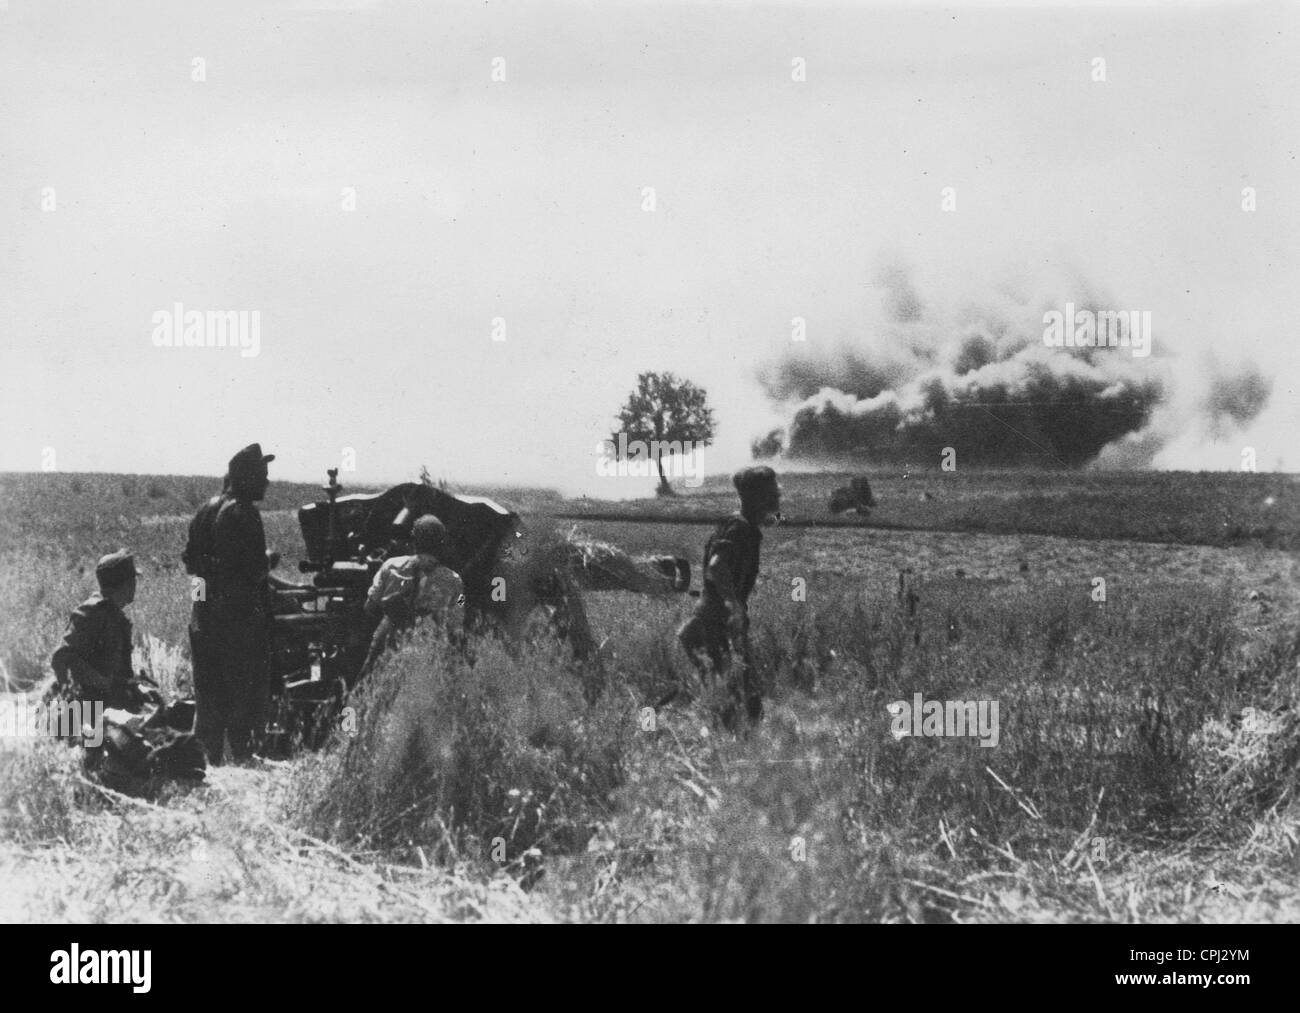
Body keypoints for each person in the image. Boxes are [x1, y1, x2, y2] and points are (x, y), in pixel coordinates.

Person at [184, 443, 275, 764]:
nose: (266, 482)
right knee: (245, 709)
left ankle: (203, 772)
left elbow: (193, 569)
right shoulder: (244, 513)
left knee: (209, 709)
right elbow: (254, 572)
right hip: (238, 629)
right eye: (262, 475)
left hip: (204, 625)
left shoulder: (204, 511)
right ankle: (244, 776)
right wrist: (267, 561)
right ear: (245, 478)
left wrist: (202, 612)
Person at [675, 466, 782, 726]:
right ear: (758, 498)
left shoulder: (738, 524)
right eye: (772, 492)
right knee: (742, 702)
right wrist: (733, 605)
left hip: (708, 623)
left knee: (733, 697)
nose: (778, 495)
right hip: (716, 625)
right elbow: (716, 566)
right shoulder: (741, 530)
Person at [49, 550, 156, 712]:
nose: (135, 585)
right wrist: (104, 684)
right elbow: (61, 657)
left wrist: (134, 687)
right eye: (133, 580)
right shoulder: (93, 612)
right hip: (86, 706)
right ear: (125, 583)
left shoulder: (114, 615)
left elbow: (116, 671)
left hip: (105, 702)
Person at [360, 514, 463, 675]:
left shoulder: (390, 566)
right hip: (427, 645)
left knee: (367, 684)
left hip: (388, 637)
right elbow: (456, 622)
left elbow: (369, 606)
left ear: (414, 541)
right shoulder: (455, 580)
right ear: (441, 544)